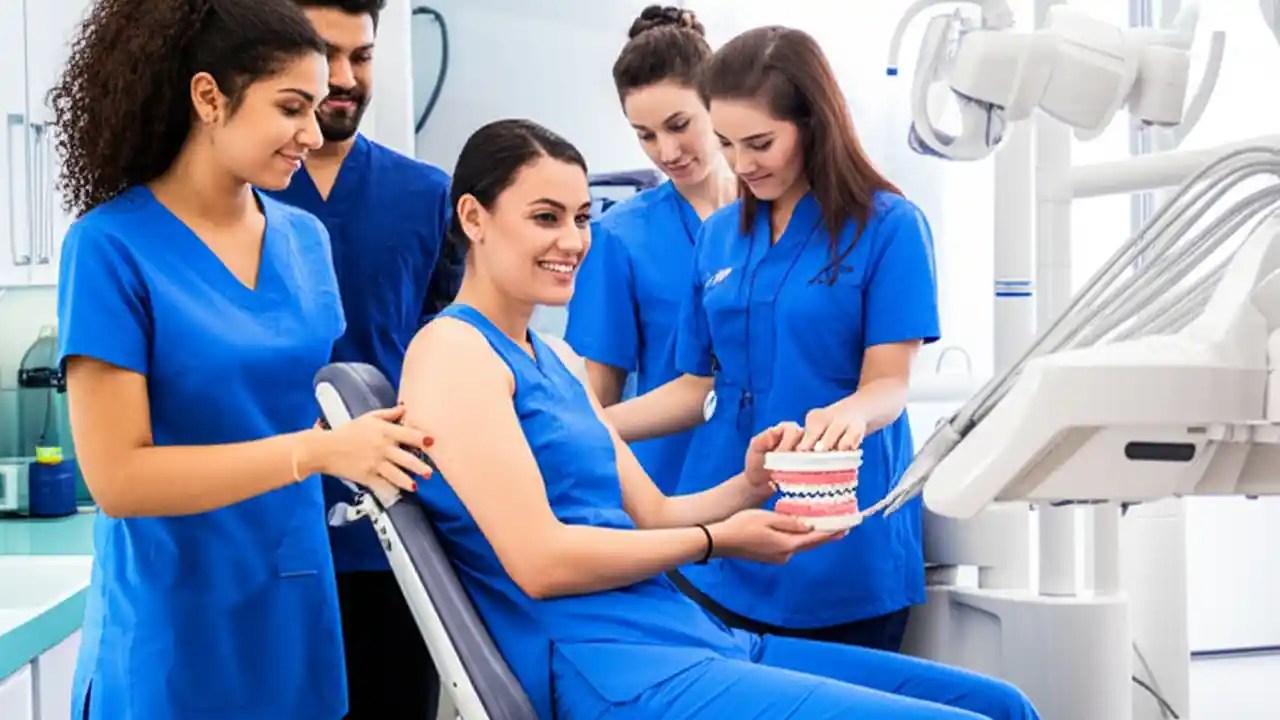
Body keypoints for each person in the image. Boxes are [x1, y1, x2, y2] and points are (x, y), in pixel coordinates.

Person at [398, 117, 1038, 719]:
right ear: (473, 217)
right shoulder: (453, 353)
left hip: (684, 634)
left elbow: (656, 513)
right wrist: (720, 541)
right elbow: (542, 563)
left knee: (1005, 705)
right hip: (606, 662)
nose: (573, 240)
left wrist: (752, 484)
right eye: (545, 218)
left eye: (582, 217)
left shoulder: (556, 360)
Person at [49, 1, 432, 717]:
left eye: (317, 109)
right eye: (291, 107)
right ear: (208, 97)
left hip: (294, 596)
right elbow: (119, 480)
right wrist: (316, 455)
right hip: (175, 617)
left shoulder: (303, 239)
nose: (312, 135)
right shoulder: (109, 248)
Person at [605, 25, 939, 653]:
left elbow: (889, 385)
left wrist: (845, 415)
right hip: (723, 532)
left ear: (814, 123)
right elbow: (694, 389)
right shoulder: (721, 235)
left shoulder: (889, 227)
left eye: (760, 143)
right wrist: (589, 425)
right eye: (727, 143)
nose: (740, 164)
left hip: (838, 533)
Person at [265, 2, 454, 715]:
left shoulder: (426, 195)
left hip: (392, 534)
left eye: (362, 57)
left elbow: (449, 354)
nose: (343, 79)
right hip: (266, 529)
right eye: (324, 54)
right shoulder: (235, 192)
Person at [563, 5, 735, 493]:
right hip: (669, 490)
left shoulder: (778, 215)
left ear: (717, 103)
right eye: (646, 135)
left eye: (679, 125)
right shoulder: (620, 237)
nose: (666, 151)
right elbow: (596, 403)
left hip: (775, 478)